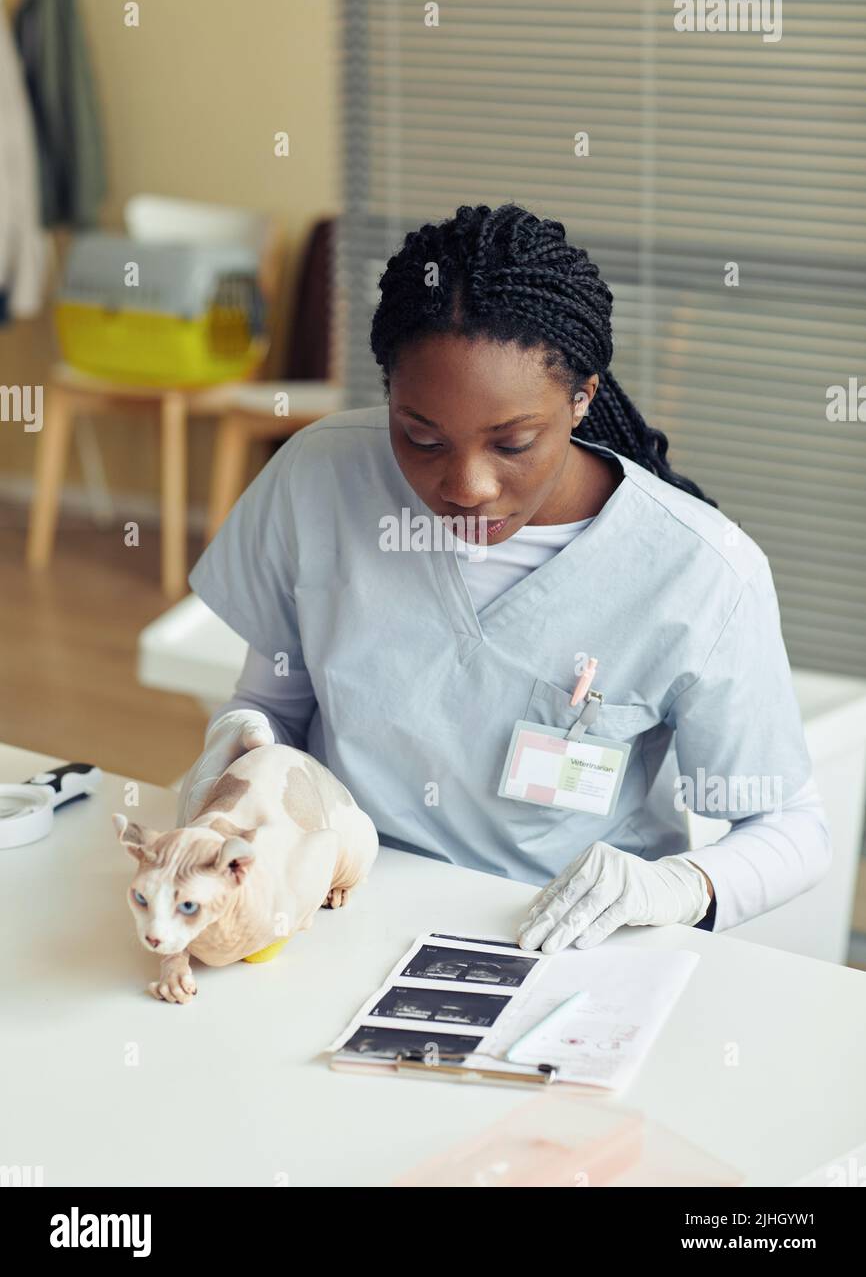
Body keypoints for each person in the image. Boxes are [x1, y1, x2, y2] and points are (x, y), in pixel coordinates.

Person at [179, 203, 830, 953]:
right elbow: (273, 708)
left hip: (566, 943)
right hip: (338, 910)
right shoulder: (319, 479)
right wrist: (242, 756)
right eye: (420, 436)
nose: (467, 485)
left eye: (514, 442)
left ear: (582, 396)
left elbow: (791, 827)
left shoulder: (699, 572)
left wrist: (679, 886)